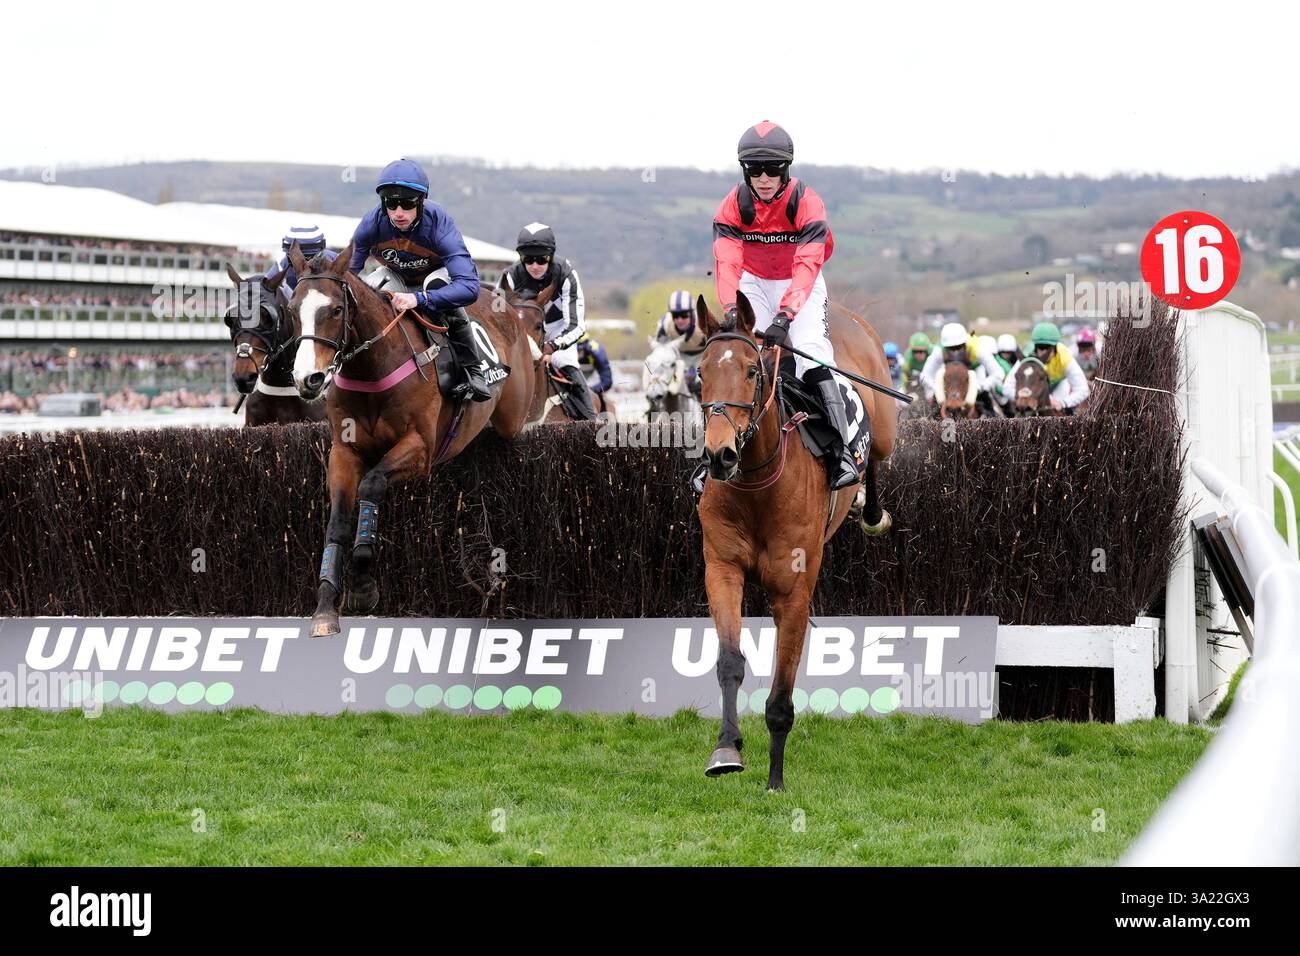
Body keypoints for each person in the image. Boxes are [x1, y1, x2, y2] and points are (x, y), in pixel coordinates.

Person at [711, 120, 857, 489]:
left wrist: (786, 315)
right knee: (740, 354)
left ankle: (841, 452)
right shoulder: (732, 206)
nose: (763, 177)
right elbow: (727, 263)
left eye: (772, 169)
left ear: (786, 170)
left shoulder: (806, 202)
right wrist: (731, 308)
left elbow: (808, 264)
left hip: (799, 281)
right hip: (753, 281)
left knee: (810, 353)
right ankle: (716, 451)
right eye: (754, 169)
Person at [348, 158, 490, 402]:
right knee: (367, 290)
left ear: (421, 202)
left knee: (435, 284)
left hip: (434, 278)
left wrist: (419, 299)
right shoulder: (370, 225)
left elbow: (469, 287)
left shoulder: (439, 224)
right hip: (397, 277)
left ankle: (473, 370)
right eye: (391, 204)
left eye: (407, 203)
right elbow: (347, 276)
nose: (399, 212)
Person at [497, 222, 596, 420]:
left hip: (559, 329)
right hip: (523, 331)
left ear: (550, 256)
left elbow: (577, 326)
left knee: (565, 362)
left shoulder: (567, 274)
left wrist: (551, 347)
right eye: (528, 259)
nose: (534, 266)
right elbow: (497, 318)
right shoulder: (509, 277)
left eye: (541, 259)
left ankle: (590, 421)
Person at [1000, 321, 1091, 411]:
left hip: (1059, 385)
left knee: (1060, 409)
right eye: (1041, 347)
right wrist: (1023, 397)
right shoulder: (1027, 357)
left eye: (1047, 348)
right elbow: (1007, 388)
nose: (1043, 352)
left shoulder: (1064, 356)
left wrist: (1063, 403)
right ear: (1035, 346)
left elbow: (1083, 390)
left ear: (1055, 347)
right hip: (1035, 391)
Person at [920, 322, 1004, 410]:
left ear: (965, 343)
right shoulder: (938, 351)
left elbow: (998, 373)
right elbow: (924, 375)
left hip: (975, 371)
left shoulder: (978, 348)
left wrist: (981, 386)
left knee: (984, 399)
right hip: (950, 374)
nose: (955, 353)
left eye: (958, 347)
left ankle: (991, 416)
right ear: (944, 346)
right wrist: (937, 387)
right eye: (951, 349)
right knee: (934, 405)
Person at [655, 289, 707, 398]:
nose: (679, 320)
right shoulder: (664, 324)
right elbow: (660, 351)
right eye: (675, 316)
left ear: (692, 313)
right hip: (680, 356)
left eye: (684, 315)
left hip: (702, 355)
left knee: (703, 385)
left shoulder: (703, 322)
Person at [265, 225, 336, 293]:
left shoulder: (334, 260)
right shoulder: (281, 265)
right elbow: (260, 287)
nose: (304, 264)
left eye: (309, 258)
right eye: (295, 257)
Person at [576, 332, 614, 414]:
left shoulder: (597, 351)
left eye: (579, 351)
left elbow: (607, 382)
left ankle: (604, 418)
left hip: (593, 380)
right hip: (580, 378)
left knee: (596, 396)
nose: (578, 354)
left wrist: (592, 389)